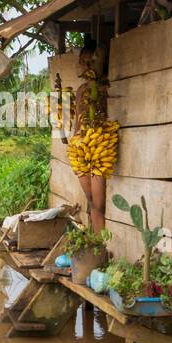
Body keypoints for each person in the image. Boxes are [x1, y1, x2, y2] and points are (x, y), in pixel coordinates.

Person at [68, 38, 117, 232]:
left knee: (98, 204)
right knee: (89, 200)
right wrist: (74, 143)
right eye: (84, 62)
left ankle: (100, 244)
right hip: (81, 148)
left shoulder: (104, 88)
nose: (87, 66)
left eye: (91, 62)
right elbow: (77, 123)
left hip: (98, 148)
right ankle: (93, 238)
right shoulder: (80, 91)